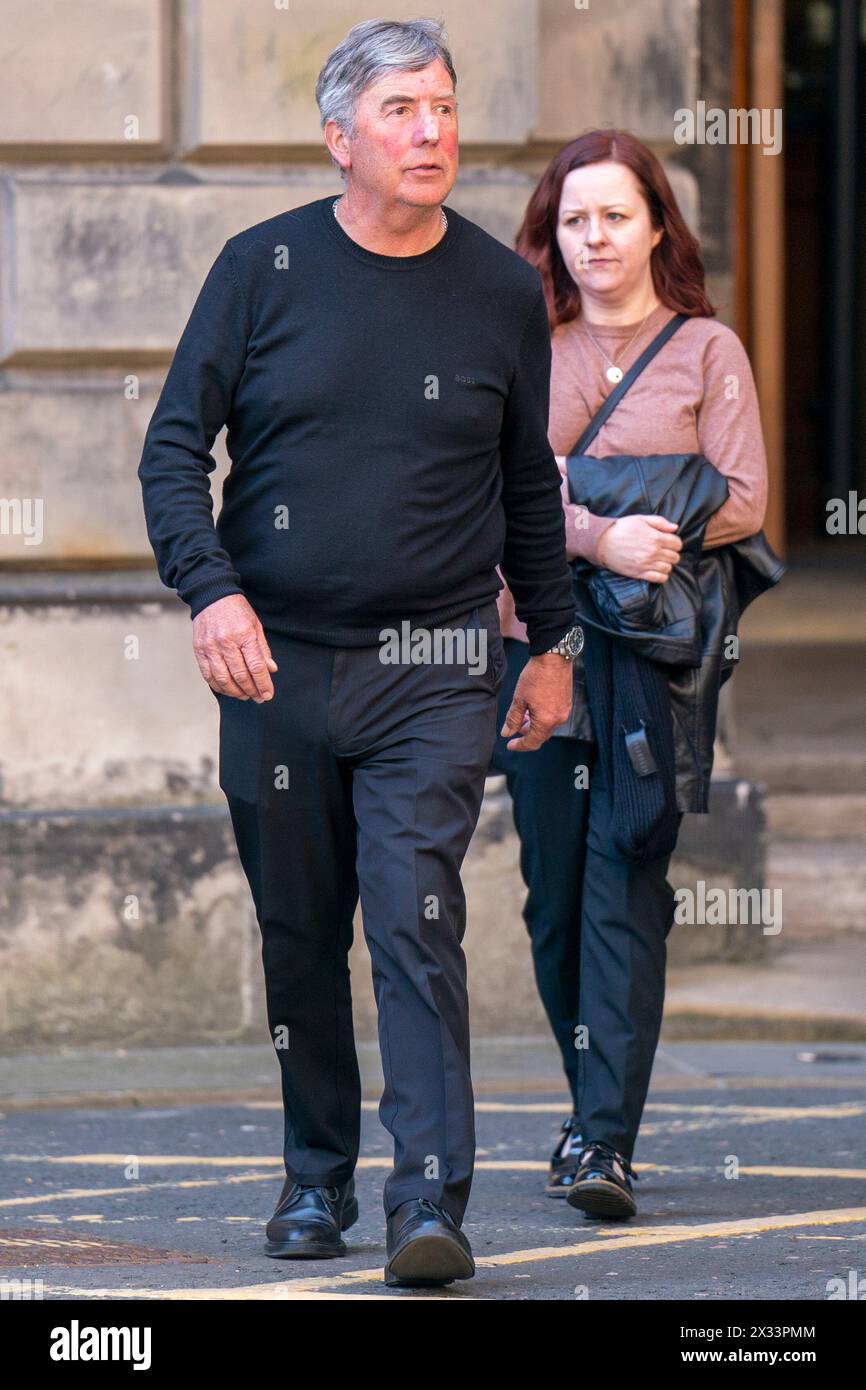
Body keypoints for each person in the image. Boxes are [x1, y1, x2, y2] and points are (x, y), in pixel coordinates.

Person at [137, 17, 581, 1287]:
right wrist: (209, 591)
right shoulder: (260, 267)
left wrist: (547, 642)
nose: (430, 129)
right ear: (341, 137)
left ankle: (426, 1201)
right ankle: (314, 1174)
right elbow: (175, 449)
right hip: (273, 665)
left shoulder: (500, 288)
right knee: (298, 933)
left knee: (414, 913)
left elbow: (526, 492)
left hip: (435, 662)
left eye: (442, 105)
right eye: (400, 109)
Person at [491, 129, 770, 1219]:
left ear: (656, 222)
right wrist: (600, 531)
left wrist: (573, 489)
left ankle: (605, 1137)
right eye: (574, 219)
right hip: (542, 649)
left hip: (653, 658)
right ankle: (583, 1107)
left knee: (626, 883)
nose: (594, 236)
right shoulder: (526, 343)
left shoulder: (707, 351)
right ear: (551, 235)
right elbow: (484, 493)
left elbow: (742, 499)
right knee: (554, 901)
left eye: (615, 214)